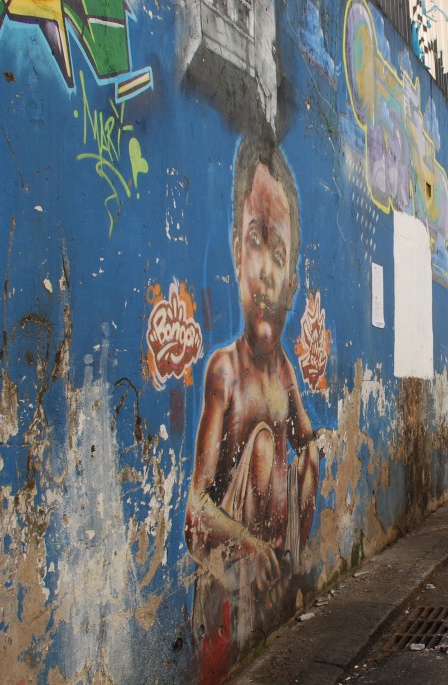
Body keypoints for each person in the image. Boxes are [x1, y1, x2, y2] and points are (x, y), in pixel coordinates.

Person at [185, 136, 321, 670]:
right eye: (255, 242)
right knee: (264, 444)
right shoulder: (225, 369)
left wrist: (313, 450)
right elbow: (195, 508)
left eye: (280, 253)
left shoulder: (284, 368)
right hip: (228, 589)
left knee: (301, 453)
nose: (266, 268)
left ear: (291, 281)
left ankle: (289, 574)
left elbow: (309, 439)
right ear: (236, 253)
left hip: (275, 565)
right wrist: (244, 544)